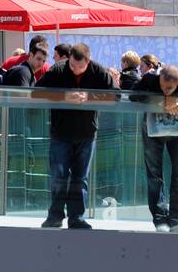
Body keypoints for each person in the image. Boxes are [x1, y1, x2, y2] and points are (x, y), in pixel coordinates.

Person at [36, 42, 117, 230]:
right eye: (72, 66)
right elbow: (36, 92)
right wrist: (64, 97)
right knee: (59, 176)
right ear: (69, 58)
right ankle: (55, 216)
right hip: (60, 133)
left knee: (80, 178)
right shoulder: (58, 70)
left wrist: (89, 98)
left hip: (87, 134)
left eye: (80, 67)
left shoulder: (98, 71)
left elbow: (116, 95)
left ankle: (77, 217)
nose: (75, 70)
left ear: (88, 61)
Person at [132, 64, 178, 231]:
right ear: (159, 78)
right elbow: (133, 95)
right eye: (162, 86)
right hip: (152, 131)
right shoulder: (150, 78)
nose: (165, 90)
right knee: (154, 175)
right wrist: (159, 100)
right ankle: (160, 219)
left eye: (170, 88)